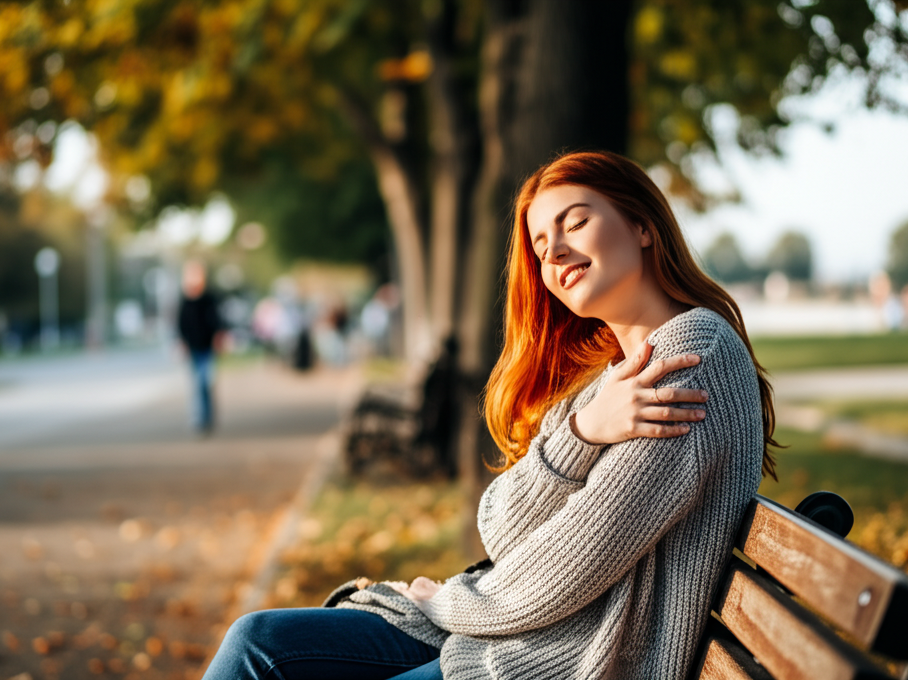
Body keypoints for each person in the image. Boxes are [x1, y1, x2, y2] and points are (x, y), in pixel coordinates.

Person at [202, 151, 778, 679]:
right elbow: (501, 528)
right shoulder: (608, 381)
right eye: (540, 244)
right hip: (515, 636)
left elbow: (565, 568)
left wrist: (444, 602)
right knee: (257, 643)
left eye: (576, 222)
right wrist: (581, 433)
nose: (553, 251)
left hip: (568, 659)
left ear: (643, 226)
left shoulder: (689, 357)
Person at [177, 260, 228, 434]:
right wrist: (182, 342)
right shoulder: (185, 299)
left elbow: (217, 320)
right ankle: (199, 417)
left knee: (206, 382)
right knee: (196, 383)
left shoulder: (209, 297)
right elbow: (181, 323)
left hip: (207, 347)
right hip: (193, 347)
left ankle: (207, 417)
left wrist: (219, 337)